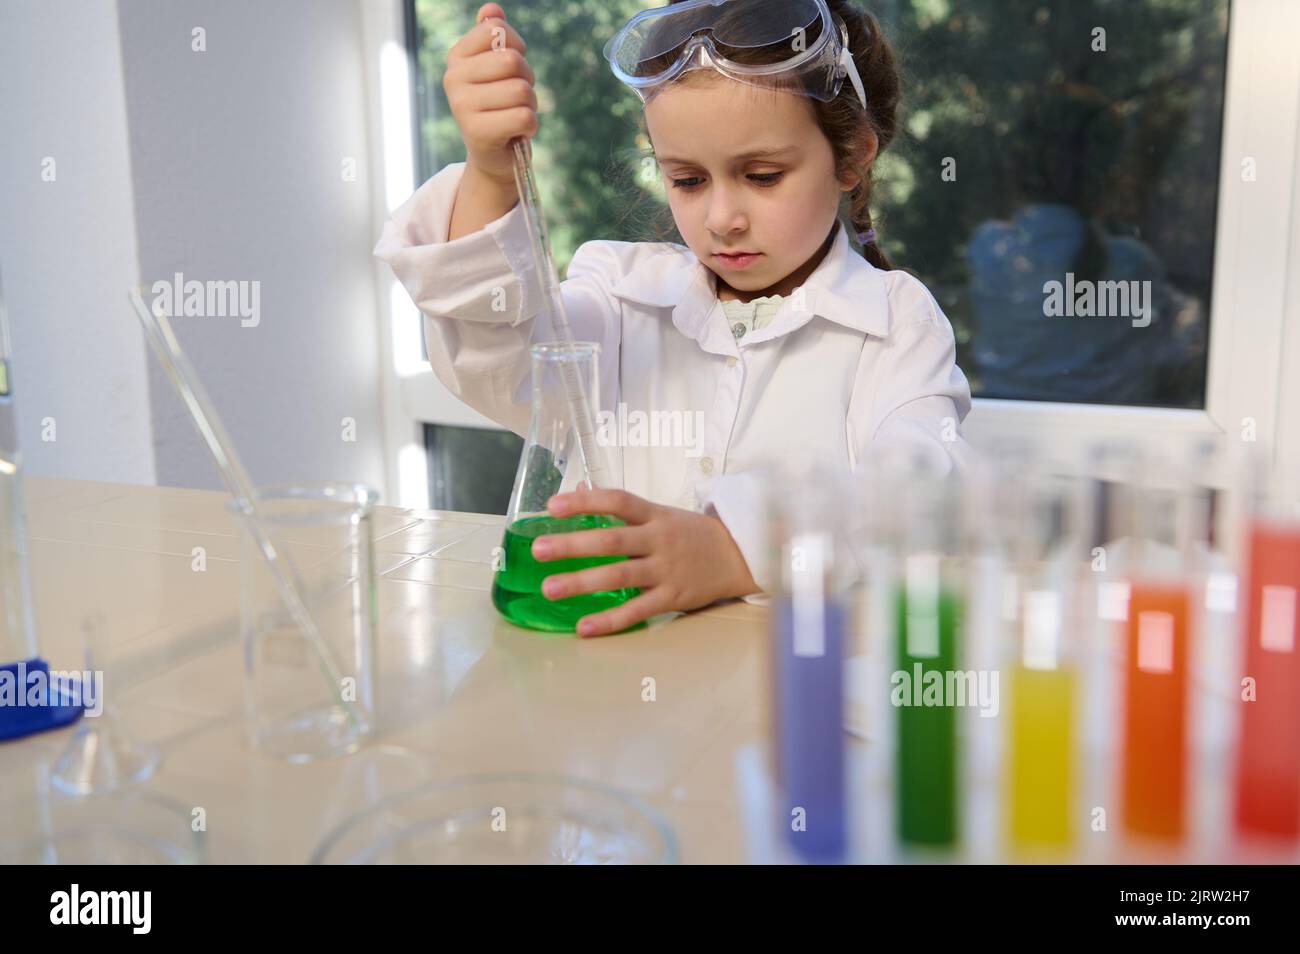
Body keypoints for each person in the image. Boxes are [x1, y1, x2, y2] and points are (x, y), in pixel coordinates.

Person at [375, 0, 974, 636]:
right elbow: (501, 356)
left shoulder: (895, 323)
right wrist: (493, 173)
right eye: (687, 179)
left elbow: (919, 488)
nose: (722, 218)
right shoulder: (618, 294)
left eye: (763, 175)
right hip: (609, 703)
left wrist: (734, 550)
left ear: (851, 158)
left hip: (784, 701)